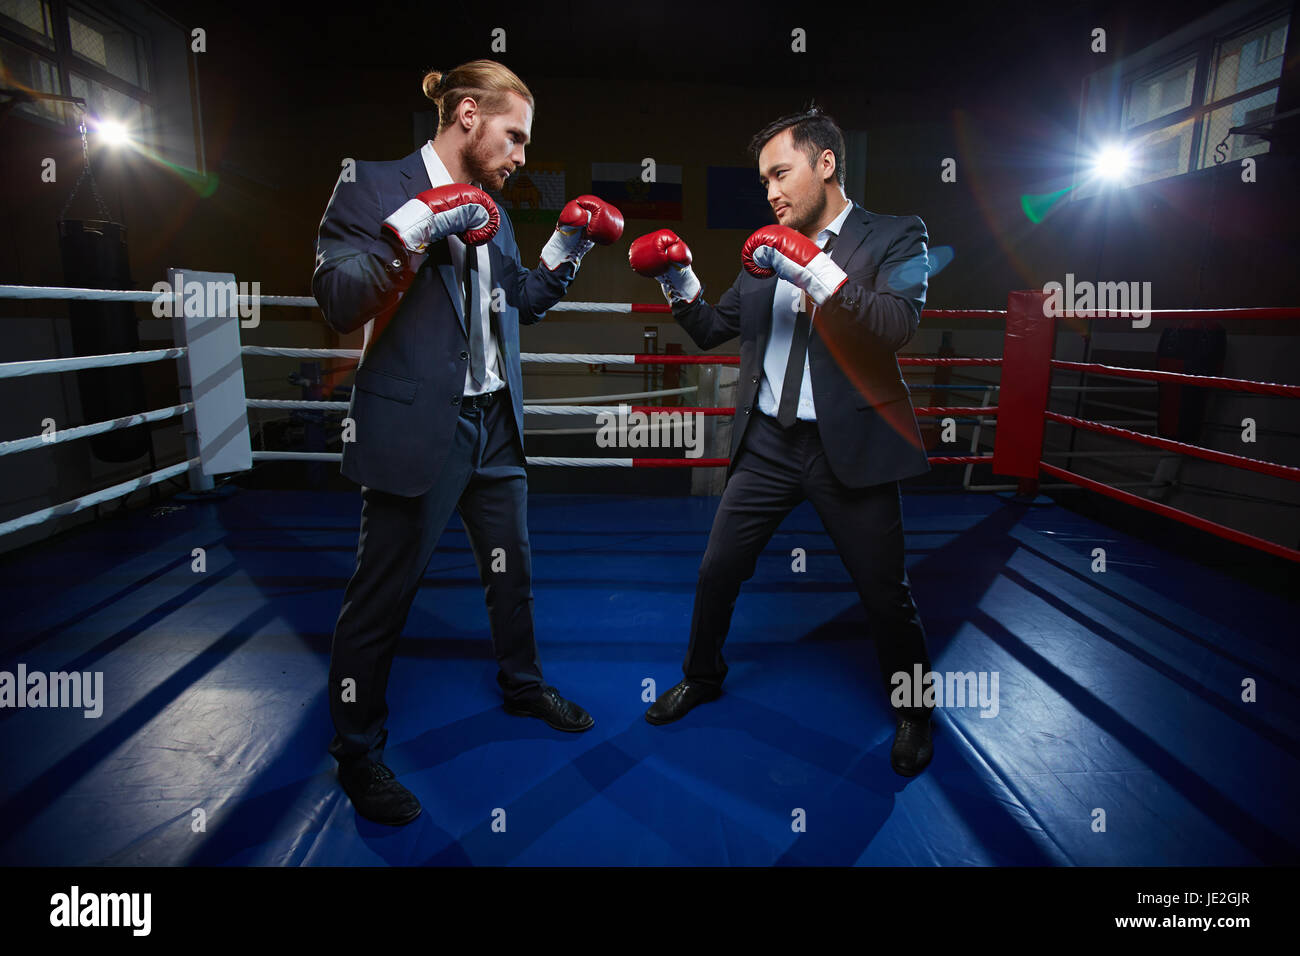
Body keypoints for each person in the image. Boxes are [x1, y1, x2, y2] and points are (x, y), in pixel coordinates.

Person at [312, 59, 623, 824]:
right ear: (467, 116)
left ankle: (523, 687)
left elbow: (523, 299)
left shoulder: (494, 210)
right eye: (514, 136)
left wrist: (569, 244)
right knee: (381, 597)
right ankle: (357, 752)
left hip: (495, 425)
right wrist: (418, 225)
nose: (522, 155)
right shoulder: (370, 185)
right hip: (419, 424)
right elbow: (339, 299)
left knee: (511, 574)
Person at [628, 107, 937, 776]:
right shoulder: (765, 249)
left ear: (825, 164)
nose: (770, 191)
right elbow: (711, 329)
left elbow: (893, 325)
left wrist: (811, 267)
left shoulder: (896, 235)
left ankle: (915, 710)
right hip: (769, 443)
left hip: (849, 444)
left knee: (884, 591)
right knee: (717, 570)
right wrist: (674, 276)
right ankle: (702, 675)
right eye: (763, 180)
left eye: (780, 173)